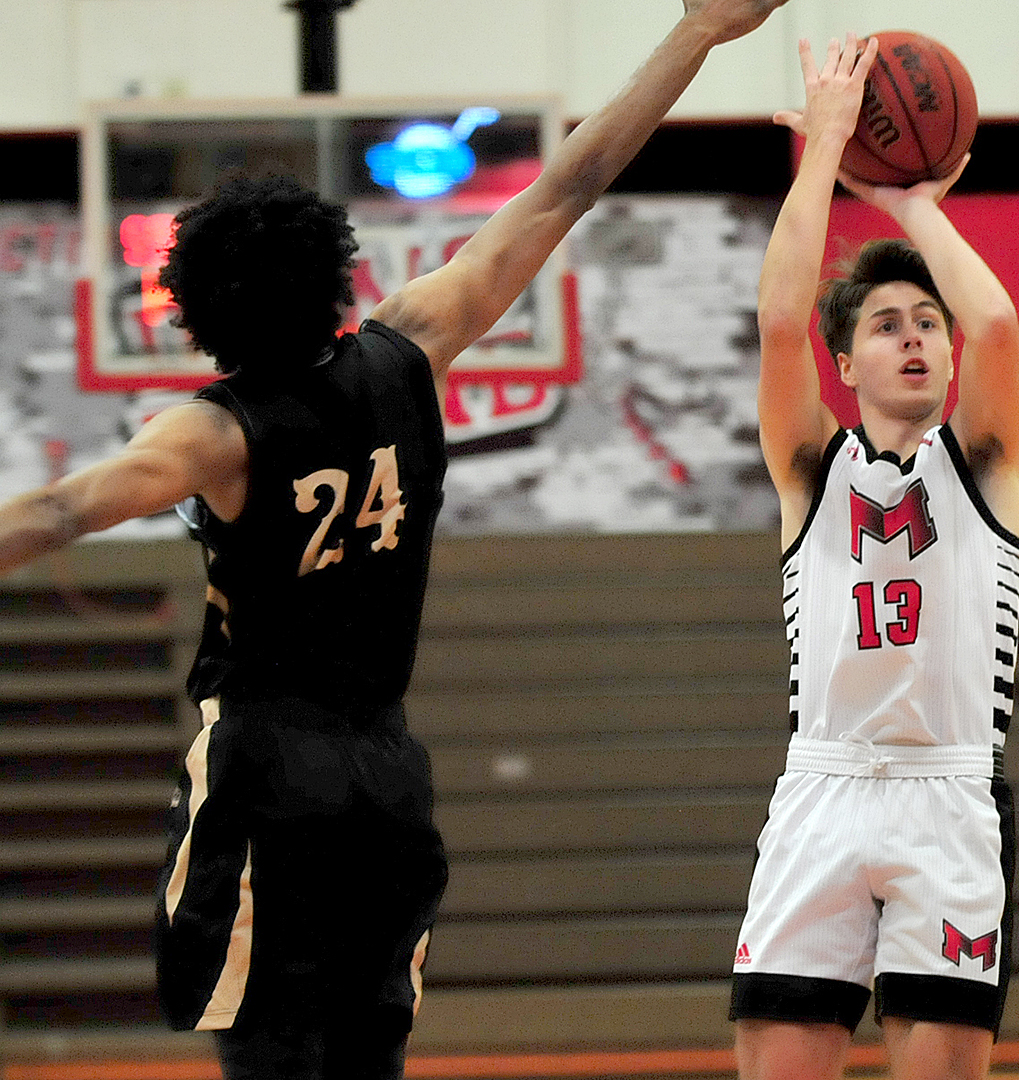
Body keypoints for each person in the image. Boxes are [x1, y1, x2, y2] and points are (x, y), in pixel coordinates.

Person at [0, 3, 788, 1075]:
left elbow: (58, 511)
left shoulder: (213, 433)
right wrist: (695, 33)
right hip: (384, 773)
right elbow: (567, 185)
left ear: (199, 307)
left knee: (269, 1052)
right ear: (331, 270)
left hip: (266, 769)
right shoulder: (407, 349)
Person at [729, 35, 1019, 1080]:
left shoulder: (984, 464)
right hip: (820, 791)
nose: (914, 338)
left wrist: (909, 203)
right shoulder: (813, 470)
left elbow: (998, 322)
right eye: (887, 325)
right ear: (846, 363)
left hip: (949, 796)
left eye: (927, 325)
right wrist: (825, 147)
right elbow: (779, 322)